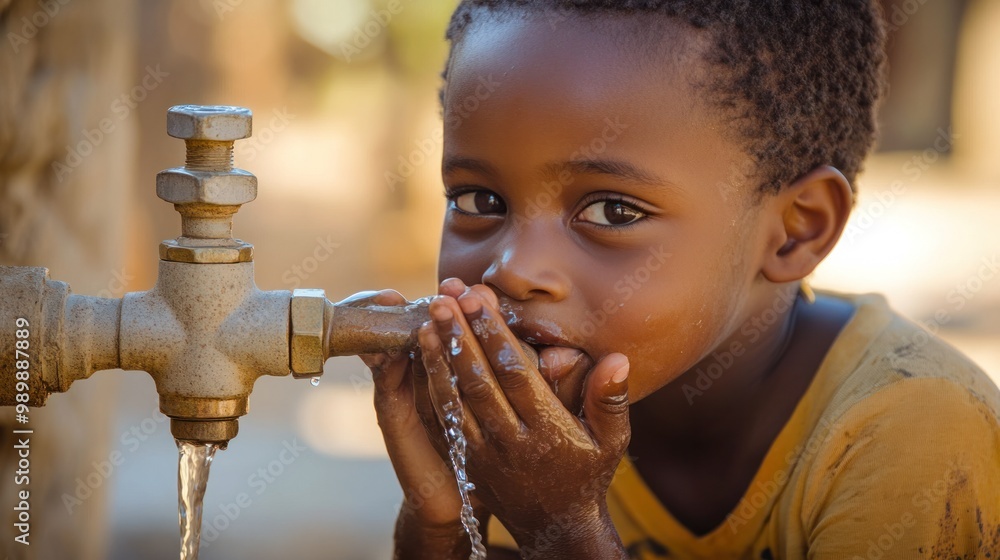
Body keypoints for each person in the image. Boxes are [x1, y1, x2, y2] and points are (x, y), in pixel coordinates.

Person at [359, 1, 1000, 558]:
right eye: (478, 200)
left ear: (796, 230)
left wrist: (561, 529)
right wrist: (436, 524)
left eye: (613, 211)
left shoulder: (913, 429)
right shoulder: (526, 438)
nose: (514, 270)